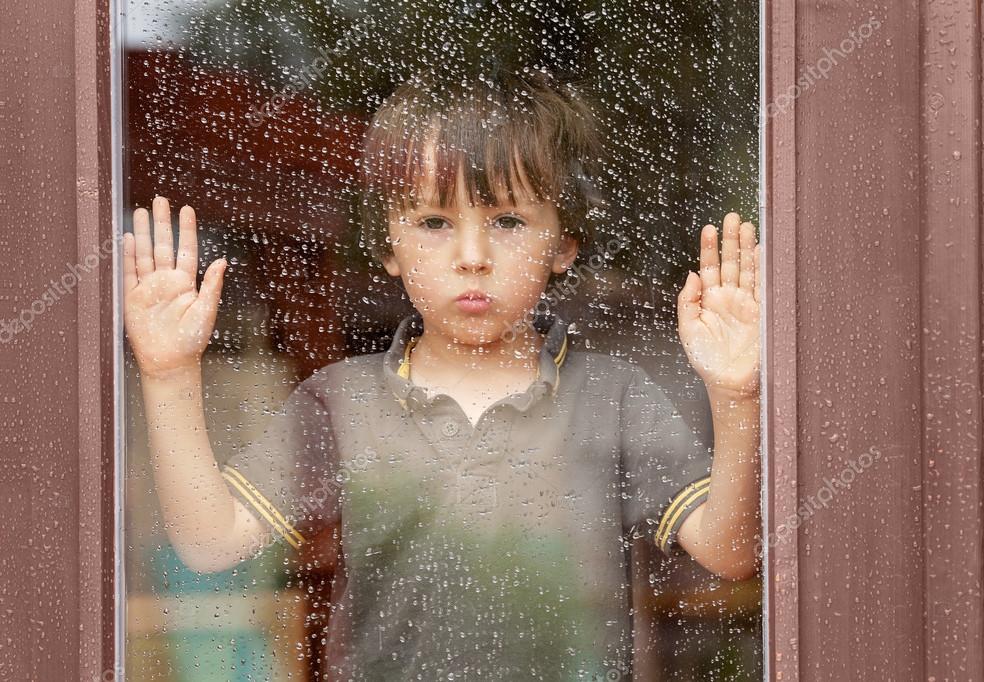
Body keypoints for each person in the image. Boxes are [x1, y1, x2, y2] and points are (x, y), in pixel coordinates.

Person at [123, 65, 761, 680]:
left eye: (508, 221)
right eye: (434, 222)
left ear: (564, 241)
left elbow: (731, 553)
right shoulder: (341, 401)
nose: (473, 257)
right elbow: (211, 545)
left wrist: (736, 393)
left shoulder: (612, 394)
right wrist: (169, 371)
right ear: (386, 244)